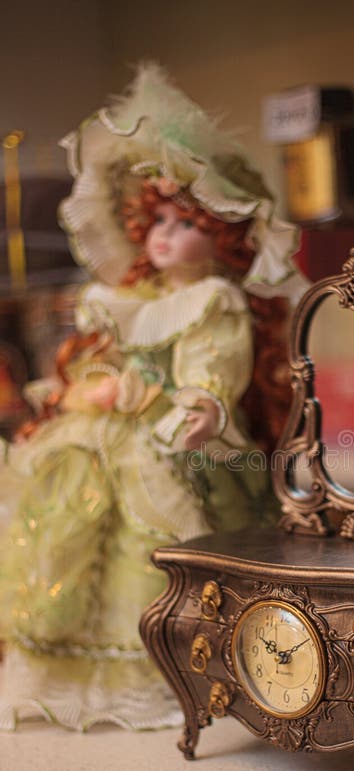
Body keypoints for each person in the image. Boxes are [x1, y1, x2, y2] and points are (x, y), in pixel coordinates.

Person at [0, 66, 308, 731]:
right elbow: (104, 360)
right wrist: (88, 390)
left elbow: (211, 371)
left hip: (172, 437)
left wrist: (194, 406)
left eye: (182, 220)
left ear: (222, 233)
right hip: (113, 428)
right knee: (71, 499)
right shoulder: (131, 300)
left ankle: (165, 668)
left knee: (154, 525)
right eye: (156, 218)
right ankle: (65, 664)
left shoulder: (214, 301)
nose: (162, 234)